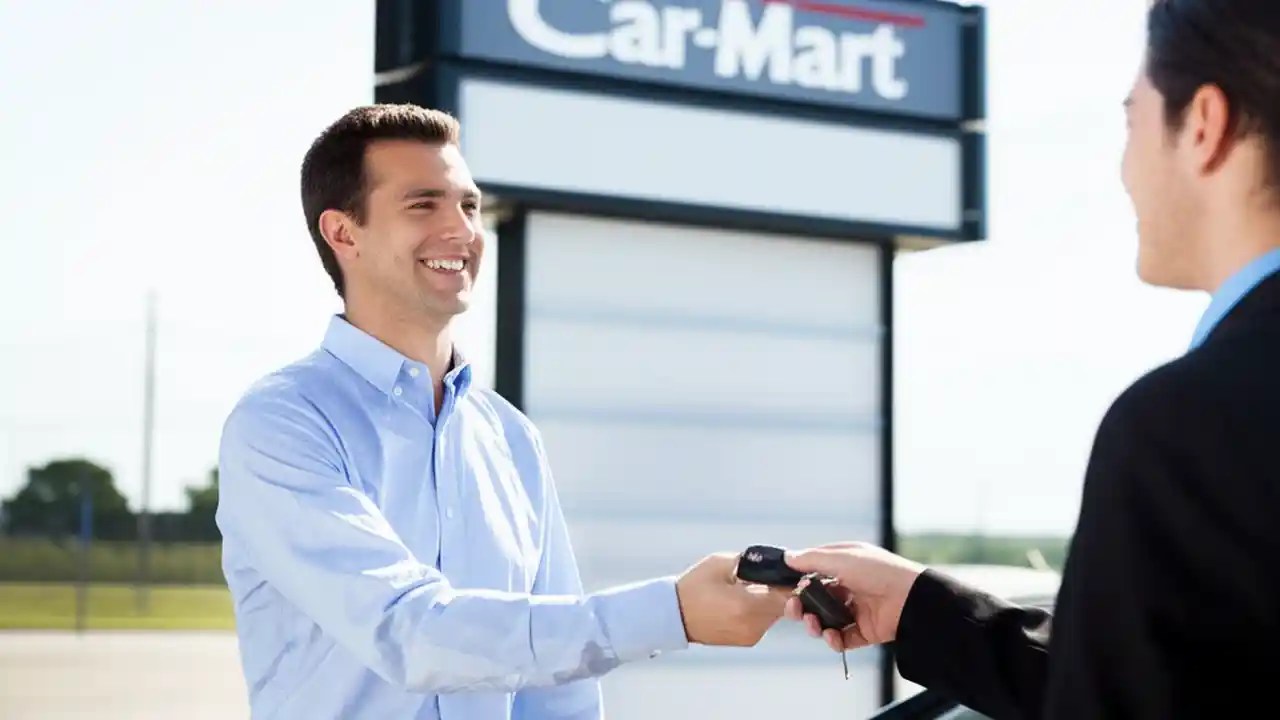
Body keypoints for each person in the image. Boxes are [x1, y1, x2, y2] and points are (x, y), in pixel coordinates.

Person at [784, 1, 1280, 718]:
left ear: (1203, 125)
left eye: (1130, 119)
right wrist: (924, 608)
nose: (1123, 170)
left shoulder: (1189, 429)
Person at [215, 104, 786, 720]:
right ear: (343, 233)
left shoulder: (510, 436)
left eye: (468, 205)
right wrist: (671, 612)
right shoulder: (282, 423)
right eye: (423, 204)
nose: (460, 231)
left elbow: (557, 691)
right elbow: (409, 631)